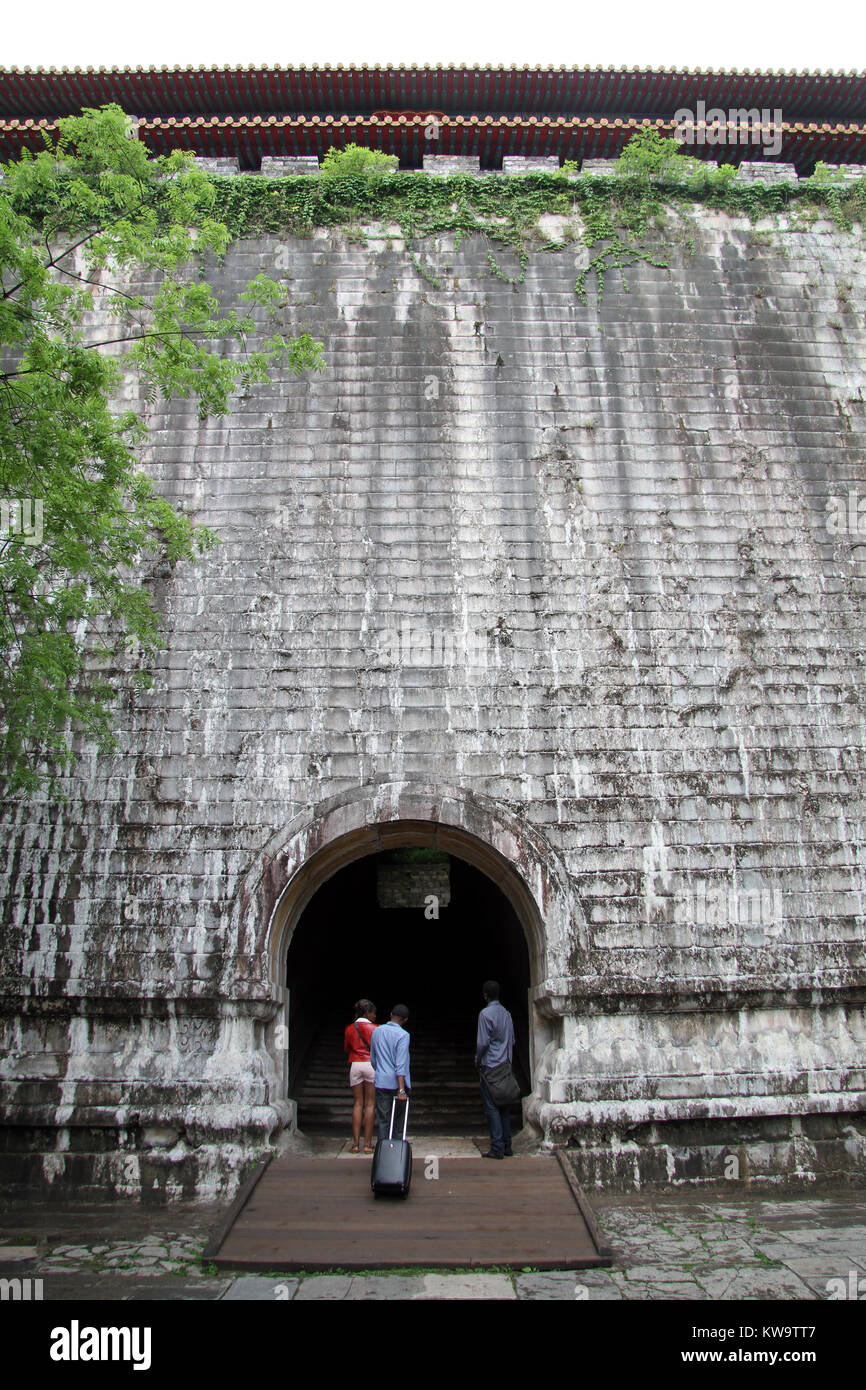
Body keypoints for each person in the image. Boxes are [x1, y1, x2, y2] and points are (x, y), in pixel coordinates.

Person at [475, 980, 516, 1159]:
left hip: (490, 1065)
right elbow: (512, 1040)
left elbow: (483, 1042)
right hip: (505, 1064)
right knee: (504, 1106)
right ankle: (507, 1145)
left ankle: (497, 1147)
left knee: (491, 1107)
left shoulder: (485, 1014)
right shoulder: (507, 1014)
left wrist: (477, 1059)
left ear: (485, 995)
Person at [369, 1004, 411, 1140]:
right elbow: (401, 1063)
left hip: (381, 1081)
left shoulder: (377, 1031)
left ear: (390, 1015)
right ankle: (396, 1151)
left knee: (383, 1119)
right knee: (398, 1120)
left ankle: (382, 1150)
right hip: (396, 1084)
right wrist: (401, 1090)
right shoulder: (403, 1035)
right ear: (405, 1020)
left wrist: (380, 1071)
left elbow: (373, 1058)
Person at [344, 999, 377, 1154]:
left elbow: (347, 1048)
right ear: (367, 1013)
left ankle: (355, 1144)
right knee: (370, 1104)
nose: (375, 1015)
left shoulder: (350, 1028)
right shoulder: (375, 1029)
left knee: (358, 1103)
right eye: (373, 1012)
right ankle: (368, 1145)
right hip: (370, 1064)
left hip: (355, 1065)